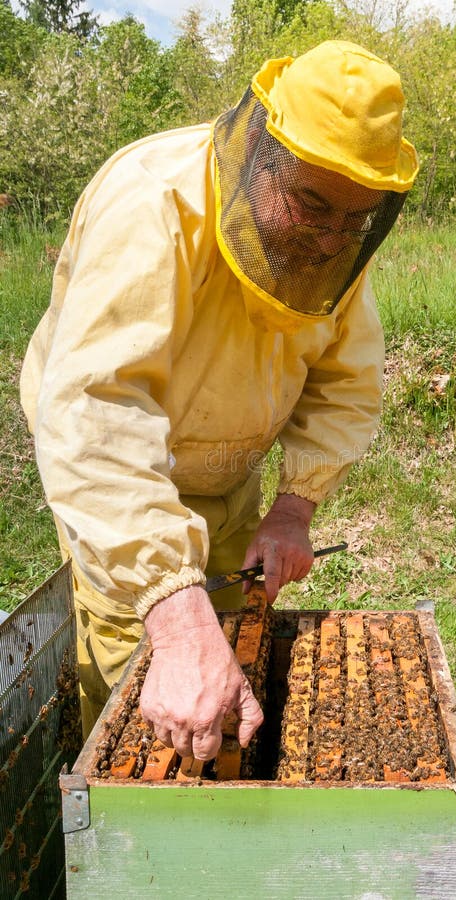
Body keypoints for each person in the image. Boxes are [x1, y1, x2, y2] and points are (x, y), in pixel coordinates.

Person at [20, 40, 418, 761]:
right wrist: (170, 615)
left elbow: (343, 381)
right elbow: (96, 412)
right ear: (259, 151)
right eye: (312, 205)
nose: (331, 239)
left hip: (229, 477)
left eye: (354, 220)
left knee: (231, 644)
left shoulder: (331, 251)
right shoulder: (151, 204)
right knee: (146, 698)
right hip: (121, 491)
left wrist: (295, 507)